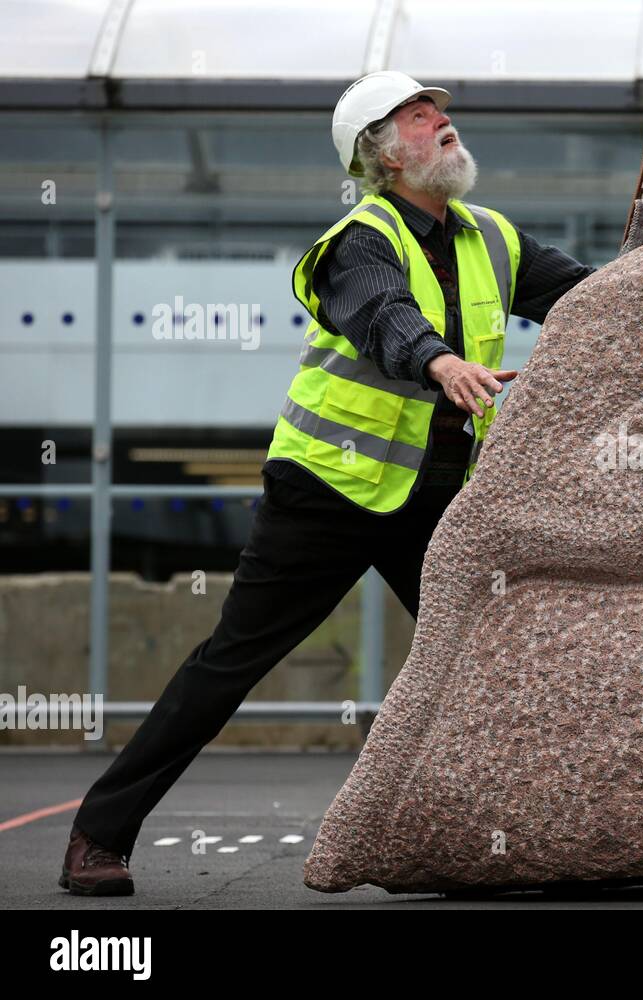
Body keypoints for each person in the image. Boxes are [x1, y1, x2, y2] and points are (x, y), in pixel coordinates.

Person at [59, 71, 598, 895]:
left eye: (440, 113)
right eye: (419, 118)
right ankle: (98, 837)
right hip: (326, 494)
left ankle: (548, 836)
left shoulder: (491, 237)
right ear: (381, 156)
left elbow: (589, 298)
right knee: (230, 664)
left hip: (434, 498)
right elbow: (384, 316)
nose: (441, 123)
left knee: (504, 660)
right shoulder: (359, 239)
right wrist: (439, 361)